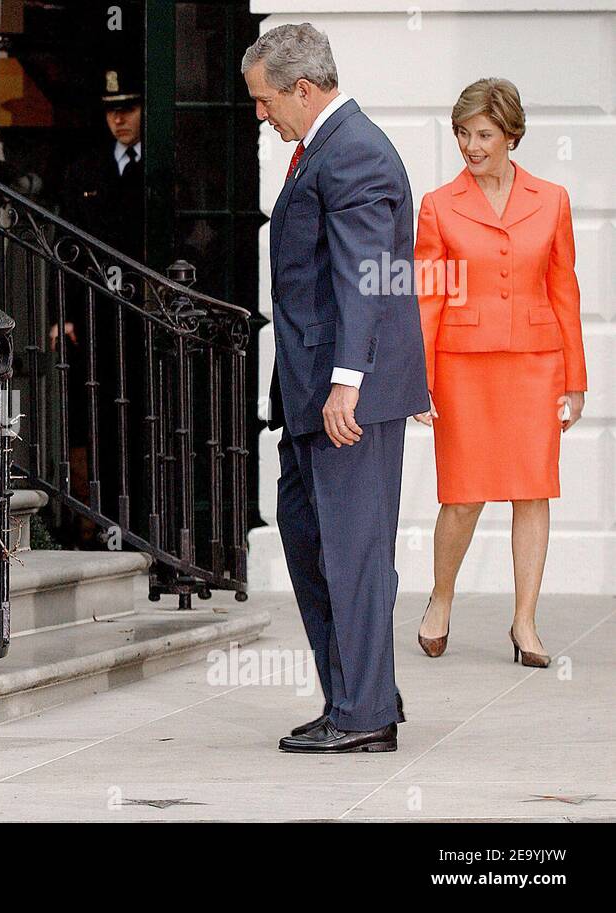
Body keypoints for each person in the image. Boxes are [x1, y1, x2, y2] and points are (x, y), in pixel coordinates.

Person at [242, 23, 429, 753]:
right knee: (314, 540)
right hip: (311, 392)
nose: (262, 115)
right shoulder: (325, 148)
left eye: (265, 101)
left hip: (344, 395)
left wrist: (348, 382)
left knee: (350, 552)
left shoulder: (353, 153)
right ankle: (356, 697)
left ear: (302, 88)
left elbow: (366, 281)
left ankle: (363, 715)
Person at [412, 78, 587, 668]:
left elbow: (564, 289)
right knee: (462, 496)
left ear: (511, 135)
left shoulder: (554, 199)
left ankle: (525, 623)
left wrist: (575, 378)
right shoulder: (438, 205)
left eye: (483, 134)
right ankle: (440, 598)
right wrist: (419, 376)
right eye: (462, 133)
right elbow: (426, 297)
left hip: (537, 365)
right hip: (462, 369)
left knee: (533, 492)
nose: (470, 144)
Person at [52, 67, 150, 548]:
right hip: (96, 318)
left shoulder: (158, 168)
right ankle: (100, 520)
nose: (120, 120)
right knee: (99, 416)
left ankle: (145, 522)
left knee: (146, 418)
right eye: (113, 111)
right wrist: (63, 313)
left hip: (148, 320)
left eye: (128, 109)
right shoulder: (84, 171)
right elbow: (65, 248)